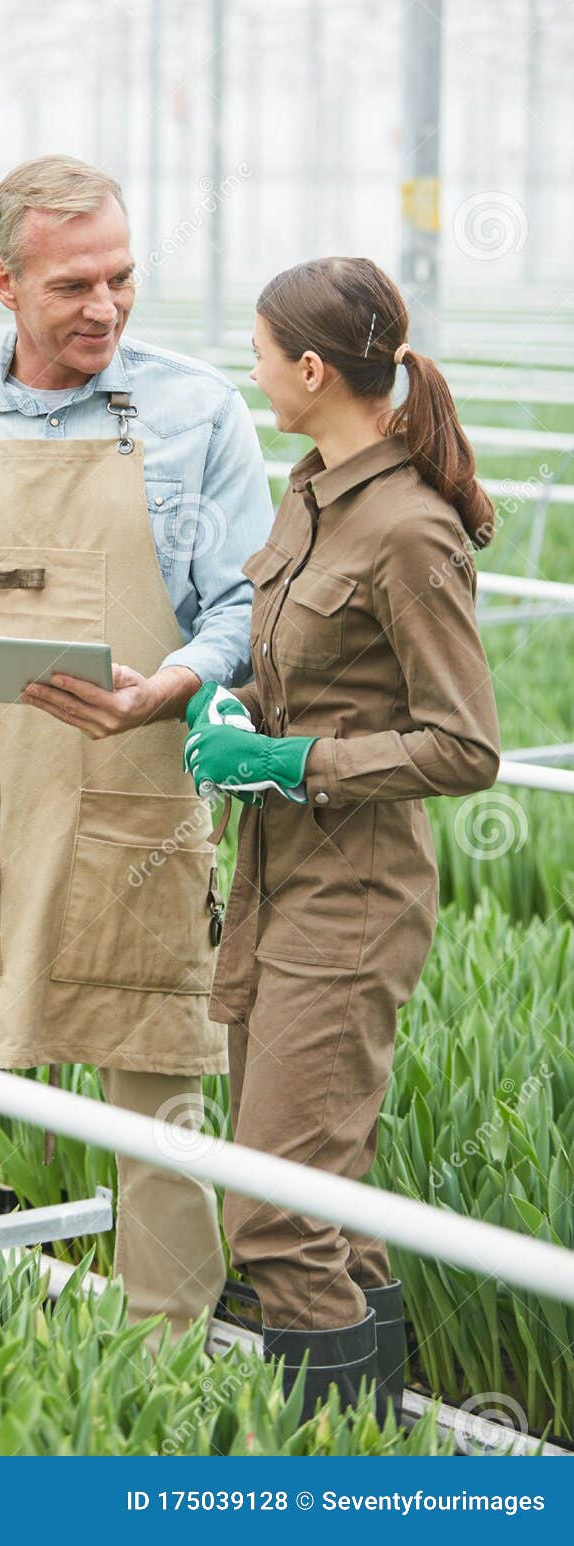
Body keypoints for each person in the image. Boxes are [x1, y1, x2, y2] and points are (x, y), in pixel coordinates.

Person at [0, 155, 275, 1344]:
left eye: (122, 278)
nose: (105, 308)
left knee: (159, 1105)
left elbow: (244, 610)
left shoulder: (196, 411)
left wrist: (175, 681)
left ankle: (166, 1363)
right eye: (73, 284)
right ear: (2, 282)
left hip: (137, 807)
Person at [182, 256, 501, 1423]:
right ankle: (373, 1458)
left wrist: (292, 764)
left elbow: (463, 746)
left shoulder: (408, 530)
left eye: (261, 352)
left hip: (350, 903)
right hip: (271, 884)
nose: (253, 371)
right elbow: (306, 676)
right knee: (317, 1201)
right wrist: (236, 715)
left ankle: (315, 1471)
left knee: (269, 1208)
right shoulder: (308, 493)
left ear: (310, 368)